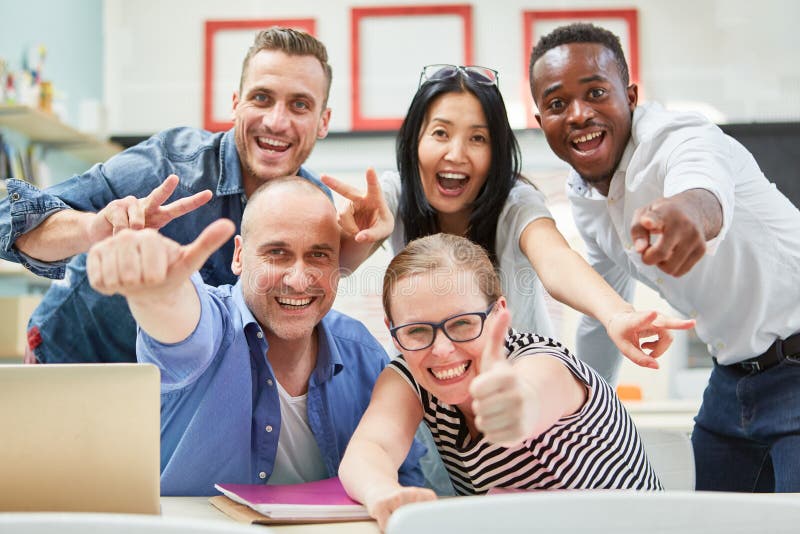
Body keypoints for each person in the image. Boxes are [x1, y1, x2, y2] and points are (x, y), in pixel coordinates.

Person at [528, 23, 800, 492]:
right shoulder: (585, 199)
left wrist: (686, 215)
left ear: (630, 97)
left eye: (596, 92)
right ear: (541, 121)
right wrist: (582, 411)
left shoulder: (679, 136)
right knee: (704, 522)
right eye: (556, 104)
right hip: (732, 382)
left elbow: (704, 189)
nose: (578, 114)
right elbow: (604, 314)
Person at [324, 64, 693, 372]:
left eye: (478, 139)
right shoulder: (394, 194)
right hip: (435, 386)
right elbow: (332, 271)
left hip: (521, 385)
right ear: (414, 141)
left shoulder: (515, 203)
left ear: (497, 152)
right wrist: (357, 236)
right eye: (440, 133)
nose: (456, 153)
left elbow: (556, 259)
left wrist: (616, 315)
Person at [0, 27, 336, 364]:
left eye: (300, 105)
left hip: (181, 393)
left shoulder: (315, 205)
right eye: (261, 98)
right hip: (78, 358)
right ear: (236, 105)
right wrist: (93, 229)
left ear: (323, 121)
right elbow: (11, 223)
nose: (276, 121)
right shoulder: (169, 166)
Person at [86, 177, 425, 496]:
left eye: (318, 255)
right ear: (238, 256)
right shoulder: (213, 325)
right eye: (277, 253)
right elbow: (178, 320)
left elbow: (404, 481)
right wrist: (156, 292)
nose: (297, 279)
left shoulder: (363, 354)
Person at [338, 233, 662, 530]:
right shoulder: (410, 375)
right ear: (393, 330)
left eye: (463, 323)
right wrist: (381, 491)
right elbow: (371, 447)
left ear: (498, 314)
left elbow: (533, 395)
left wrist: (514, 407)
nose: (441, 349)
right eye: (416, 330)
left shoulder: (542, 361)